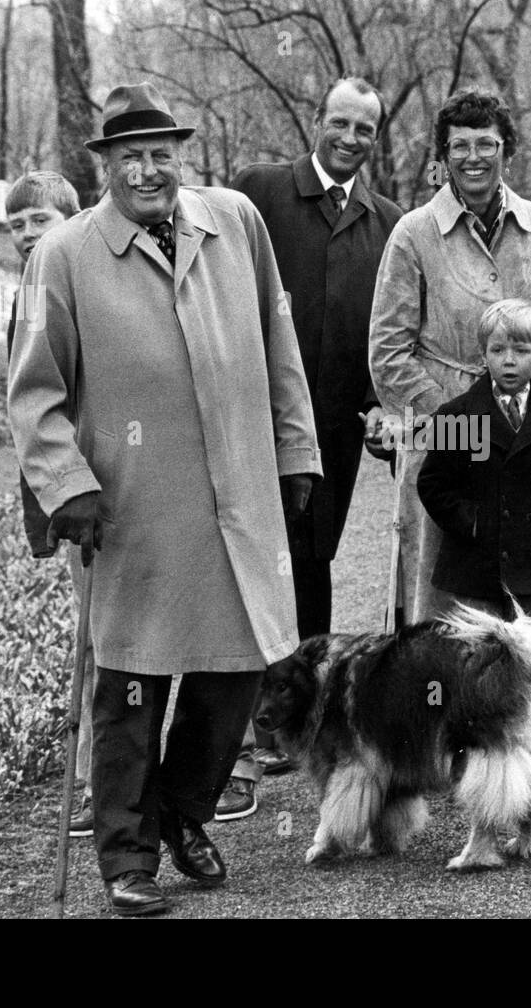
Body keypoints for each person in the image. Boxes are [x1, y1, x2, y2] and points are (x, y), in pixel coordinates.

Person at [8, 82, 321, 916]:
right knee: (132, 684)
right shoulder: (63, 256)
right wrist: (66, 484)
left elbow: (278, 338)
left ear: (182, 156)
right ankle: (127, 858)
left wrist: (297, 452)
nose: (150, 170)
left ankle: (183, 810)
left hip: (236, 495)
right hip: (133, 503)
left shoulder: (235, 225)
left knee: (237, 669)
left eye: (162, 153)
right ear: (104, 166)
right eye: (131, 156)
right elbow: (32, 393)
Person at [222, 77, 403, 818]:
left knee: (311, 563)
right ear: (317, 122)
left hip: (331, 430)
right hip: (250, 420)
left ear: (375, 138)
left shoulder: (385, 220)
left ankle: (300, 715)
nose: (350, 138)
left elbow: (381, 334)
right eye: (339, 123)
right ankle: (237, 724)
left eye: (365, 128)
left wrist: (381, 408)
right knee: (250, 560)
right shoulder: (258, 192)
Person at [370, 87, 531, 627]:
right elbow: (388, 351)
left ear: (506, 152)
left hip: (525, 442)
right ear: (442, 159)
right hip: (442, 441)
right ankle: (435, 705)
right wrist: (457, 420)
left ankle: (512, 710)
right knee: (440, 606)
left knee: (518, 613)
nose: (473, 156)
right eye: (459, 146)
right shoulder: (414, 233)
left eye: (486, 144)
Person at [3, 170, 94, 836]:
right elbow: (31, 410)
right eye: (17, 225)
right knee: (94, 641)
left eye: (42, 220)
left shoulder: (88, 280)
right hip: (76, 492)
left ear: (75, 217)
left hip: (119, 473)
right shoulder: (26, 295)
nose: (29, 234)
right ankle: (96, 778)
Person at [416, 299, 531, 621]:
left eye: (520, 351)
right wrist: (473, 521)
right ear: (483, 354)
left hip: (529, 573)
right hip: (473, 571)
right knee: (477, 659)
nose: (508, 361)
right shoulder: (457, 415)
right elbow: (432, 484)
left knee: (523, 659)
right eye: (497, 350)